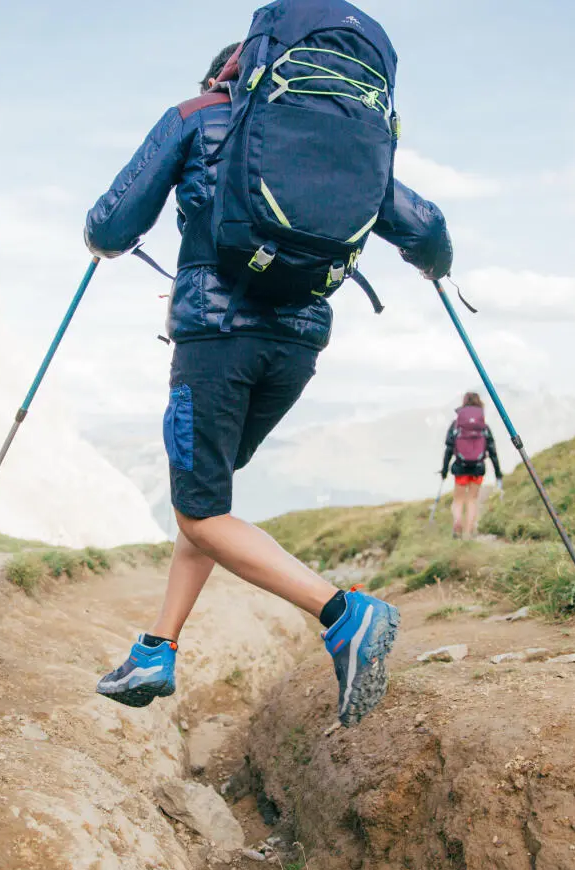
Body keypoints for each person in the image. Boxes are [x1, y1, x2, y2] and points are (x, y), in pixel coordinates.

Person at [83, 42, 453, 726]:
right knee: (210, 497)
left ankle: (343, 613)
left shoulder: (195, 117)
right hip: (298, 345)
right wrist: (436, 265)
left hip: (216, 340)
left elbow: (111, 223)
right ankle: (158, 646)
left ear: (222, 76)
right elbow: (425, 227)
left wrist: (101, 242)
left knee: (199, 509)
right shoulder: (338, 140)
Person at [441, 392, 502, 540]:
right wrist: (498, 472)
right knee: (472, 500)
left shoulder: (456, 425)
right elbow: (492, 450)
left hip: (460, 468)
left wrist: (444, 470)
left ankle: (457, 522)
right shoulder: (484, 427)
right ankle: (468, 533)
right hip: (478, 468)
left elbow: (449, 448)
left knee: (458, 499)